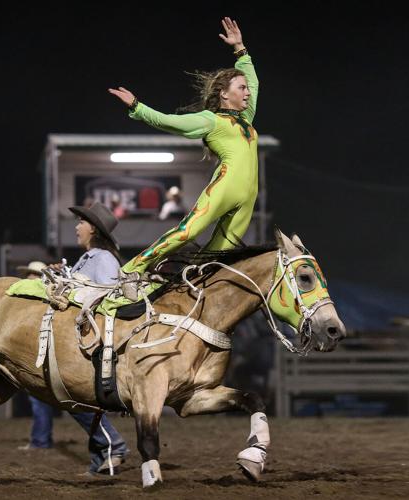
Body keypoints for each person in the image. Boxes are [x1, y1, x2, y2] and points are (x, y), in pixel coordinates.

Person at [109, 17, 260, 299]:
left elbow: (254, 80)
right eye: (241, 89)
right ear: (224, 94)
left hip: (247, 198)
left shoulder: (246, 119)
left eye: (247, 89)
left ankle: (187, 293)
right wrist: (137, 107)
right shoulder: (211, 121)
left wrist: (240, 49)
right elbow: (168, 122)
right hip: (225, 189)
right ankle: (132, 268)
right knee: (188, 232)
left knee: (220, 255)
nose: (248, 92)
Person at [20, 202, 129, 475]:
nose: (77, 227)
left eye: (81, 222)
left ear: (92, 228)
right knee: (73, 399)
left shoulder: (103, 259)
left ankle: (113, 447)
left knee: (73, 397)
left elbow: (107, 295)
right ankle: (102, 459)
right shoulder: (88, 258)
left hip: (92, 342)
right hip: (79, 340)